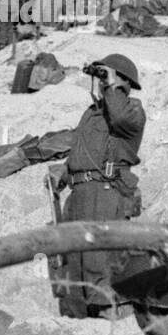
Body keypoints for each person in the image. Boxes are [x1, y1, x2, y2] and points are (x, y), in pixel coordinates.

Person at [49, 53, 146, 319]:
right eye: (101, 77)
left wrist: (114, 84)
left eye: (107, 76)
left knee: (100, 261)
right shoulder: (92, 113)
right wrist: (65, 171)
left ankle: (113, 317)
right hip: (80, 195)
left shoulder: (131, 110)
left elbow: (121, 119)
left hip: (105, 194)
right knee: (76, 260)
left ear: (123, 82)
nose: (101, 83)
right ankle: (85, 317)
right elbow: (83, 151)